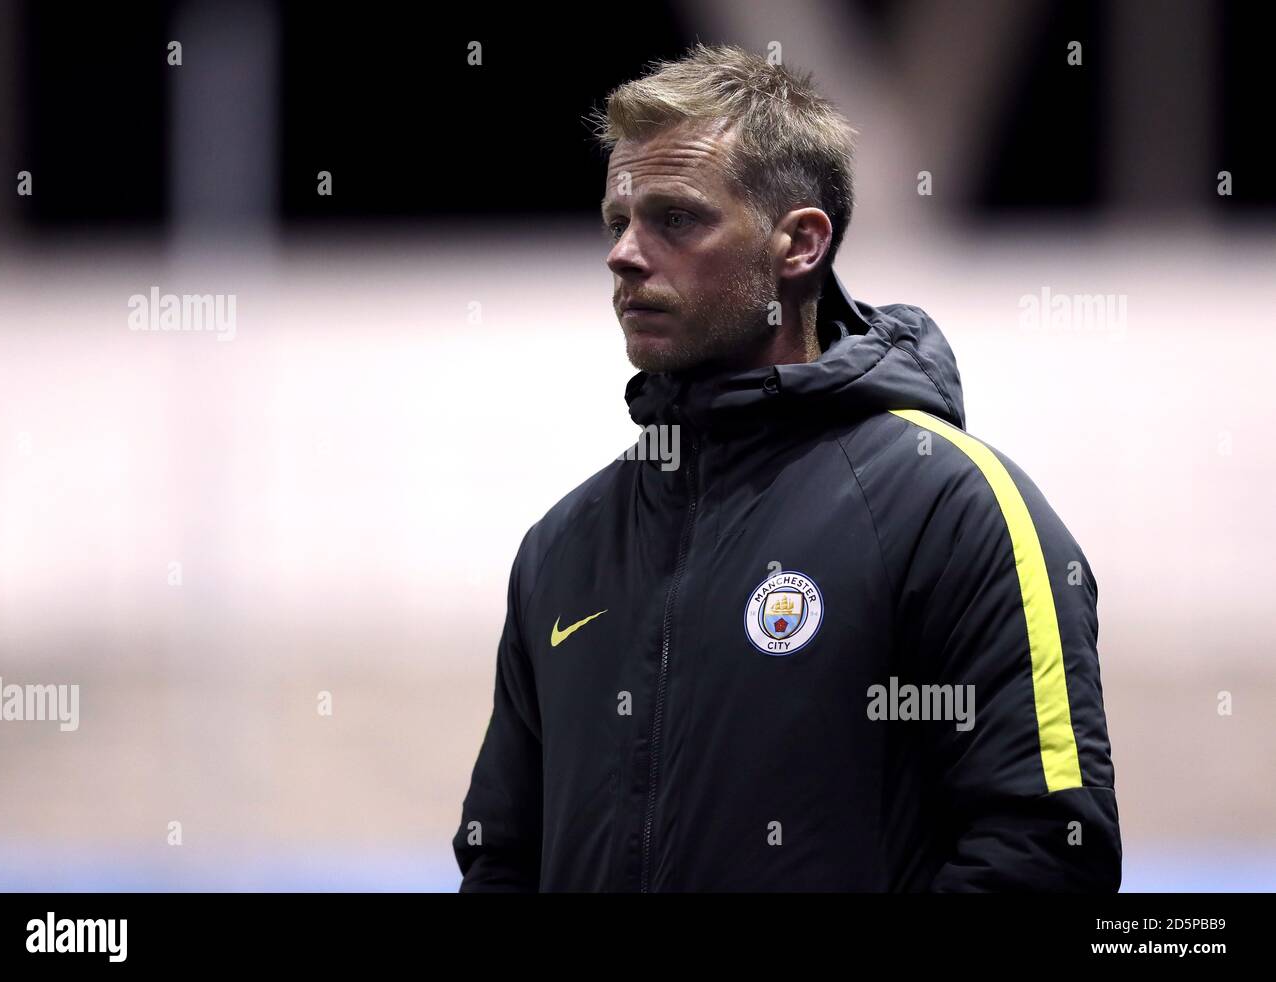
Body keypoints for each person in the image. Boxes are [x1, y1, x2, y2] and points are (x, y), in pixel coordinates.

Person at [452, 42, 1121, 891]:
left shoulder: (954, 508)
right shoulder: (562, 546)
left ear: (799, 244)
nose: (624, 254)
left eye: (676, 218)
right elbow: (501, 857)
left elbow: (1044, 848)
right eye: (617, 222)